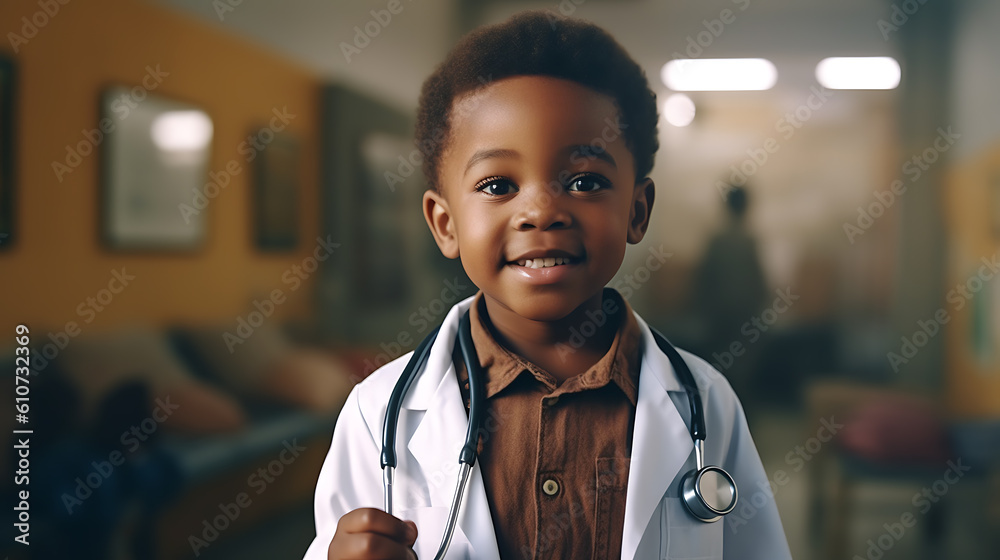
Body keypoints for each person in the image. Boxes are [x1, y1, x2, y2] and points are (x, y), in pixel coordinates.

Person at [304, 10, 791, 560]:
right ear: (445, 224)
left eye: (584, 181)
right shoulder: (377, 413)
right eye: (497, 185)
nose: (540, 211)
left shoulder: (707, 403)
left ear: (637, 211)